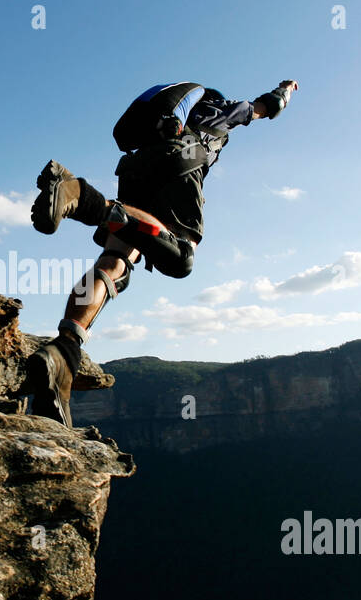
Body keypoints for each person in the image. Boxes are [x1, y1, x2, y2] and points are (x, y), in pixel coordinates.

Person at [24, 79, 299, 426]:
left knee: (116, 262)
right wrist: (286, 90)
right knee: (180, 256)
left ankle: (65, 349)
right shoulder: (219, 109)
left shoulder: (158, 118)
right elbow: (265, 106)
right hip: (180, 160)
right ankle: (87, 199)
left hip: (135, 170)